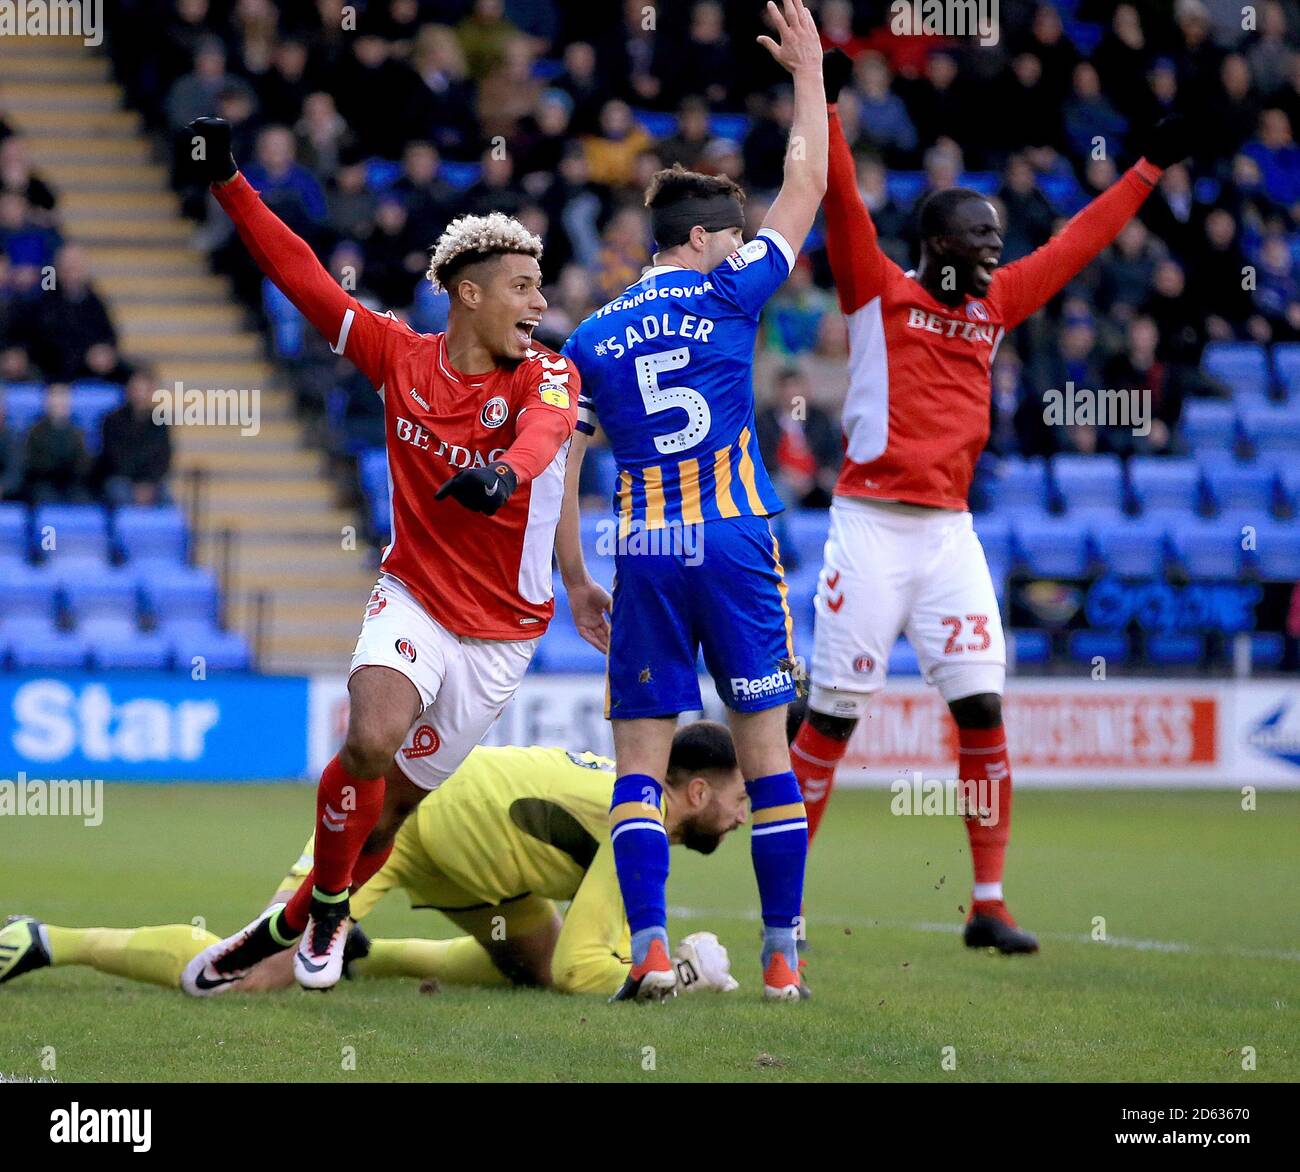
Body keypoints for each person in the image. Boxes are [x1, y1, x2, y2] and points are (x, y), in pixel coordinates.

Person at [788, 50, 1193, 955]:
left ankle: (988, 901)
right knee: (833, 719)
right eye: (980, 235)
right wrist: (834, 106)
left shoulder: (998, 305)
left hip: (949, 540)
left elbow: (1077, 244)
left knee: (980, 710)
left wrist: (1147, 169)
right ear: (937, 243)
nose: (997, 248)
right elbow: (841, 197)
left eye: (998, 235)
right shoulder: (876, 292)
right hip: (868, 527)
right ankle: (789, 910)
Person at [178, 115, 578, 992]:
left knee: (395, 805)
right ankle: (329, 914)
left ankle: (283, 926)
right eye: (523, 287)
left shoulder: (548, 373)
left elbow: (549, 435)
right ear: (468, 294)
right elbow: (301, 277)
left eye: (541, 288)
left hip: (504, 635)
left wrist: (503, 477)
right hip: (416, 595)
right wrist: (229, 185)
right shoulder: (400, 358)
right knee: (371, 740)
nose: (541, 306)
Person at [554, 0, 826, 1002]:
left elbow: (562, 466)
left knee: (640, 765)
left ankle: (656, 950)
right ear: (706, 238)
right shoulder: (730, 290)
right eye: (737, 233)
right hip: (736, 543)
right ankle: (782, 955)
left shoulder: (589, 336)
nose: (748, 242)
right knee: (765, 761)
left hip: (646, 552)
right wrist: (808, 73)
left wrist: (576, 576)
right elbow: (809, 182)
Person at [1, 725, 747, 999]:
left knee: (535, 967)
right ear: (700, 789)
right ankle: (47, 939)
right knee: (240, 977)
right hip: (401, 827)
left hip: (485, 859)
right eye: (740, 798)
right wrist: (677, 975)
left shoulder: (639, 814)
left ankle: (361, 955)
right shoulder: (637, 820)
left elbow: (580, 963)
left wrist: (651, 969)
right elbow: (595, 971)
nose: (745, 814)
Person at [96, 367, 172, 505]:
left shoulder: (161, 421)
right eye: (137, 389)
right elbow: (113, 456)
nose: (140, 395)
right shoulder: (113, 420)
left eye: (145, 390)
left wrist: (148, 482)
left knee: (167, 500)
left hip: (151, 482)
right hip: (121, 479)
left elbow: (163, 457)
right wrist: (136, 485)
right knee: (119, 493)